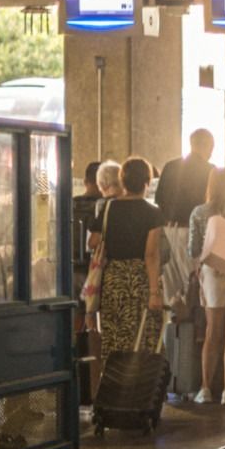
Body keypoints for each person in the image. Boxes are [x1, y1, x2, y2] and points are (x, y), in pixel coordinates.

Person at [88, 157, 164, 401]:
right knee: (140, 337)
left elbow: (93, 242)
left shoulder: (108, 208)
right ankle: (136, 396)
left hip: (113, 280)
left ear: (122, 181)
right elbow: (151, 254)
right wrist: (154, 292)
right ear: (146, 183)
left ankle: (111, 395)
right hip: (138, 280)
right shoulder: (152, 213)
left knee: (113, 337)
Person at [187, 168, 225, 404]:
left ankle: (205, 389)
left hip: (212, 272)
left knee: (213, 331)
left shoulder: (199, 212)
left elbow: (192, 250)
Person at [155, 130, 216, 228]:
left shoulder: (170, 166)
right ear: (208, 146)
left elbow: (159, 198)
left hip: (171, 228)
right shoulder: (212, 171)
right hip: (200, 229)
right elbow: (215, 203)